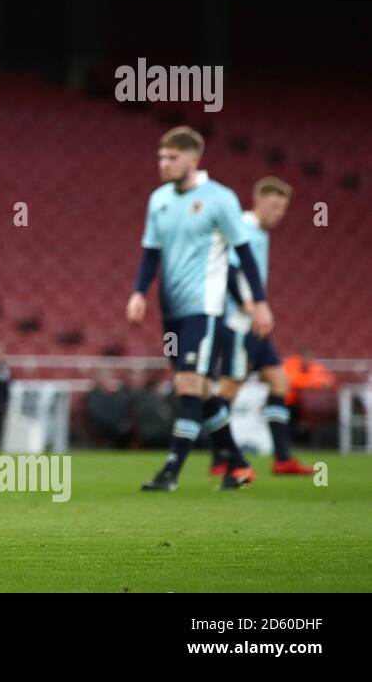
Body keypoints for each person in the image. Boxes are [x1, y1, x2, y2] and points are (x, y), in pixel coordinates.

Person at [127, 126, 272, 492]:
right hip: (170, 311)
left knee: (188, 383)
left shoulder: (220, 199)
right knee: (202, 389)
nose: (164, 163)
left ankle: (171, 472)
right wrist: (139, 292)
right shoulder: (158, 200)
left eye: (172, 157)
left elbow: (244, 253)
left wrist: (260, 303)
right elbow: (151, 252)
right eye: (161, 157)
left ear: (193, 159)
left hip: (204, 309)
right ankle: (238, 464)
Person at [214, 177, 312, 476]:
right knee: (229, 388)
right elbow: (230, 269)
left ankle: (282, 459)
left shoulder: (259, 232)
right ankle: (220, 459)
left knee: (280, 383)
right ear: (258, 201)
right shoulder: (243, 227)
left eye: (283, 208)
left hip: (255, 325)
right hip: (239, 323)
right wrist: (250, 306)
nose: (279, 213)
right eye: (274, 206)